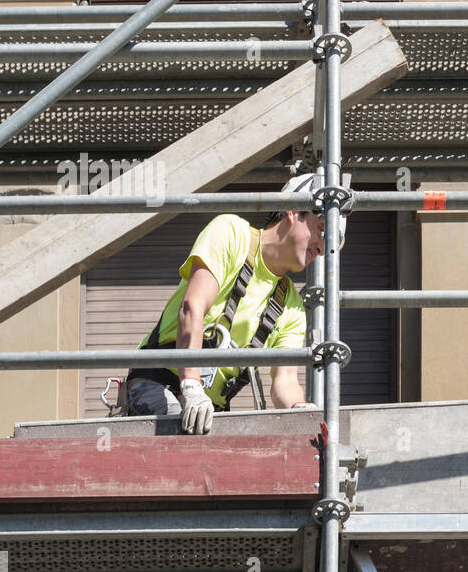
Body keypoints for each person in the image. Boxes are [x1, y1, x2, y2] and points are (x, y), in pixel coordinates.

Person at [122, 173, 337, 434]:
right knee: (180, 442)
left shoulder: (291, 307)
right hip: (162, 380)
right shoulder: (231, 234)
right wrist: (191, 385)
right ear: (294, 211)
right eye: (321, 229)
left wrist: (298, 408)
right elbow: (193, 307)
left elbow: (285, 380)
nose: (323, 247)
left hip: (211, 407)